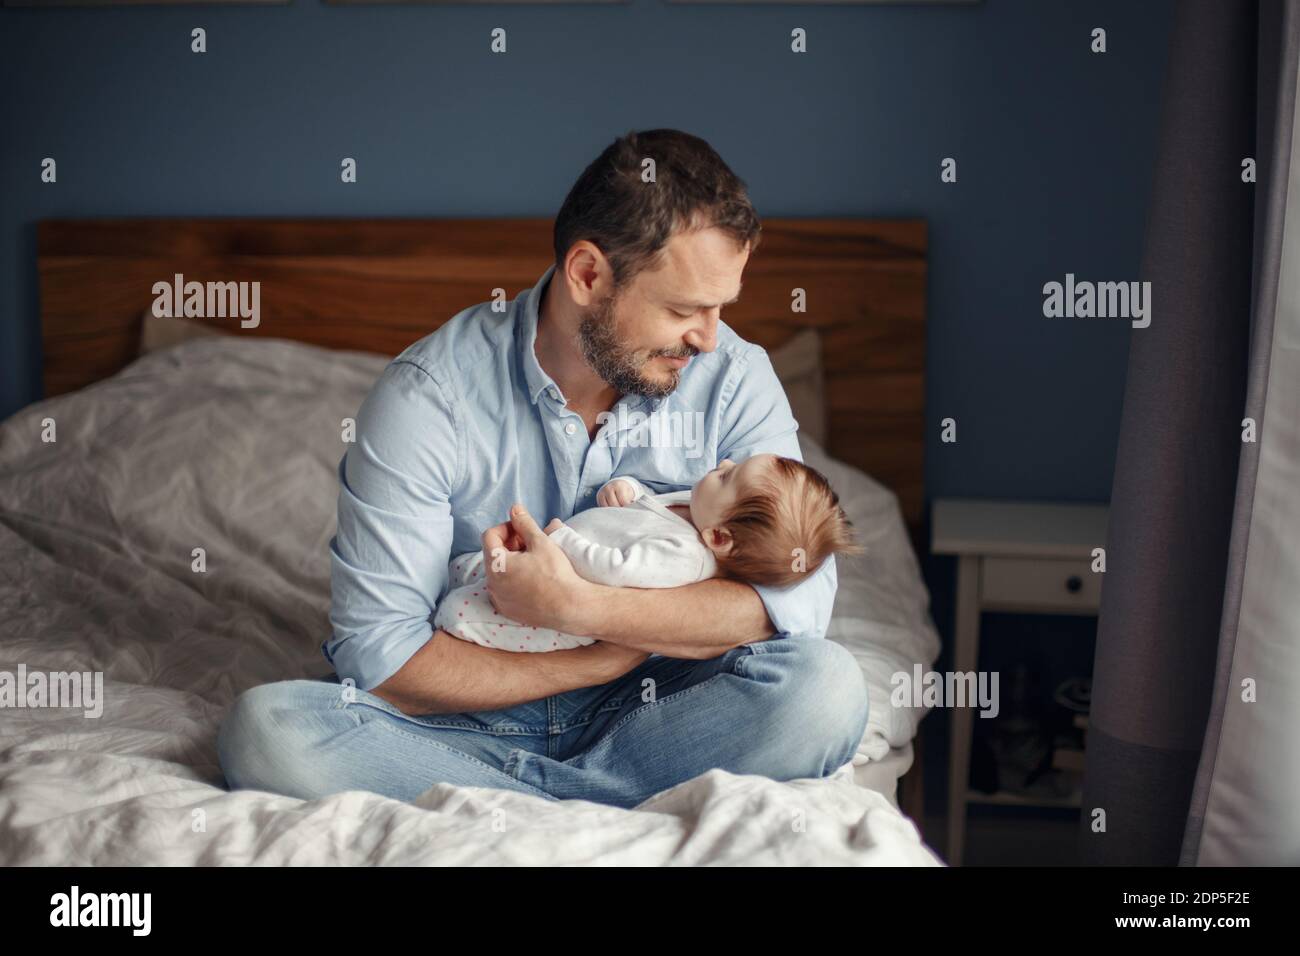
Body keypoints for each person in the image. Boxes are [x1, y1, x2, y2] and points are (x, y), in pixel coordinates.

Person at [217, 128, 870, 809]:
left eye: (719, 309)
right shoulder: (429, 397)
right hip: (469, 714)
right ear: (588, 274)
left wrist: (575, 606)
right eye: (683, 309)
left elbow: (791, 602)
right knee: (266, 733)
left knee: (824, 689)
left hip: (658, 707)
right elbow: (383, 657)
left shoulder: (734, 379)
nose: (706, 337)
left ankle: (494, 807)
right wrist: (591, 656)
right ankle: (601, 803)